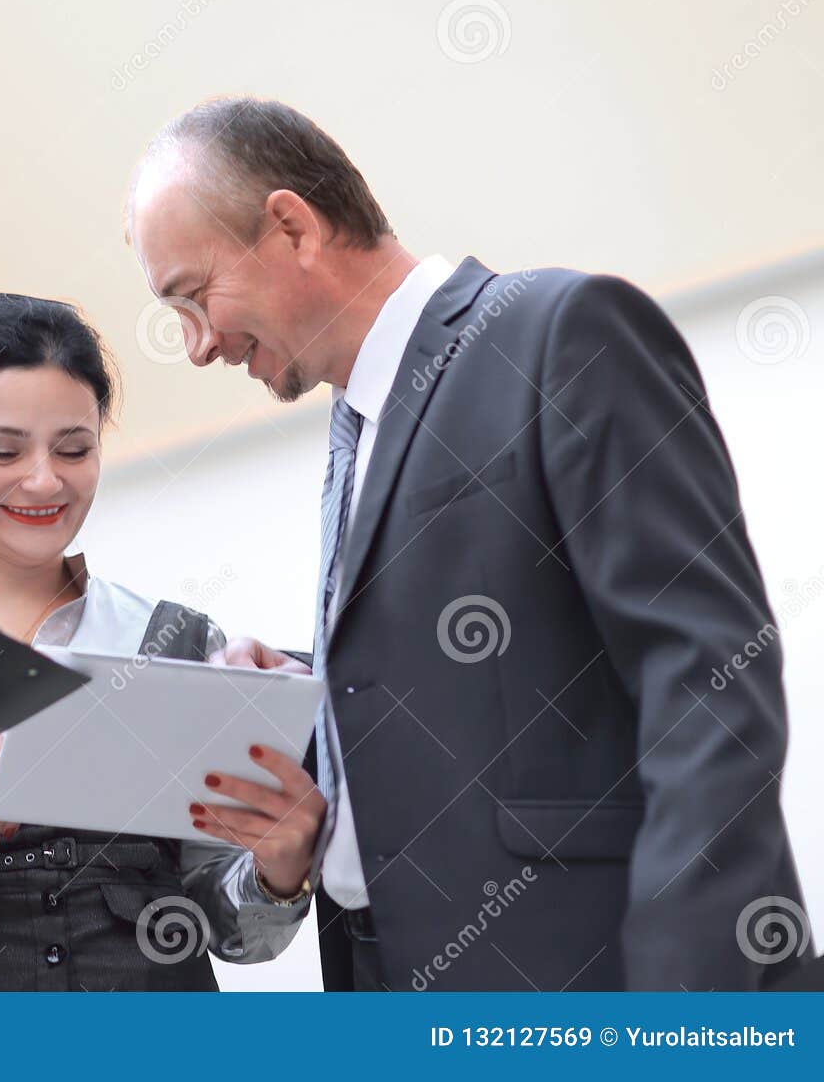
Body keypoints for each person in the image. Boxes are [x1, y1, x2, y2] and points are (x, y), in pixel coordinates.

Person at [124, 95, 810, 990]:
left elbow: (708, 676)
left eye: (192, 296)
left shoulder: (559, 331)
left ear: (291, 226)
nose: (198, 345)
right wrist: (315, 700)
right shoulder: (352, 426)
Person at [0, 293, 324, 990]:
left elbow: (234, 933)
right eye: (2, 449)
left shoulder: (174, 641)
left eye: (74, 448)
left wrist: (279, 867)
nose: (44, 479)